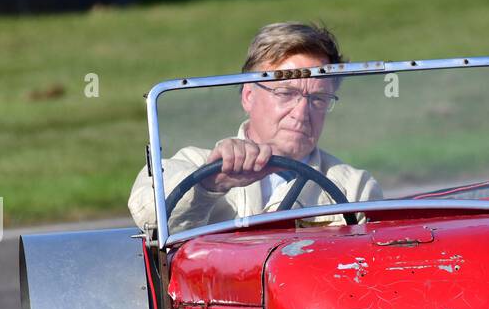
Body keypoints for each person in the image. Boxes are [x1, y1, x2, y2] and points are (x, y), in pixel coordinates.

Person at [128, 22, 381, 233]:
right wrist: (210, 183)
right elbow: (150, 217)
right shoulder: (195, 164)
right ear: (248, 96)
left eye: (318, 99)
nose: (302, 113)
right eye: (285, 93)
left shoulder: (354, 188)